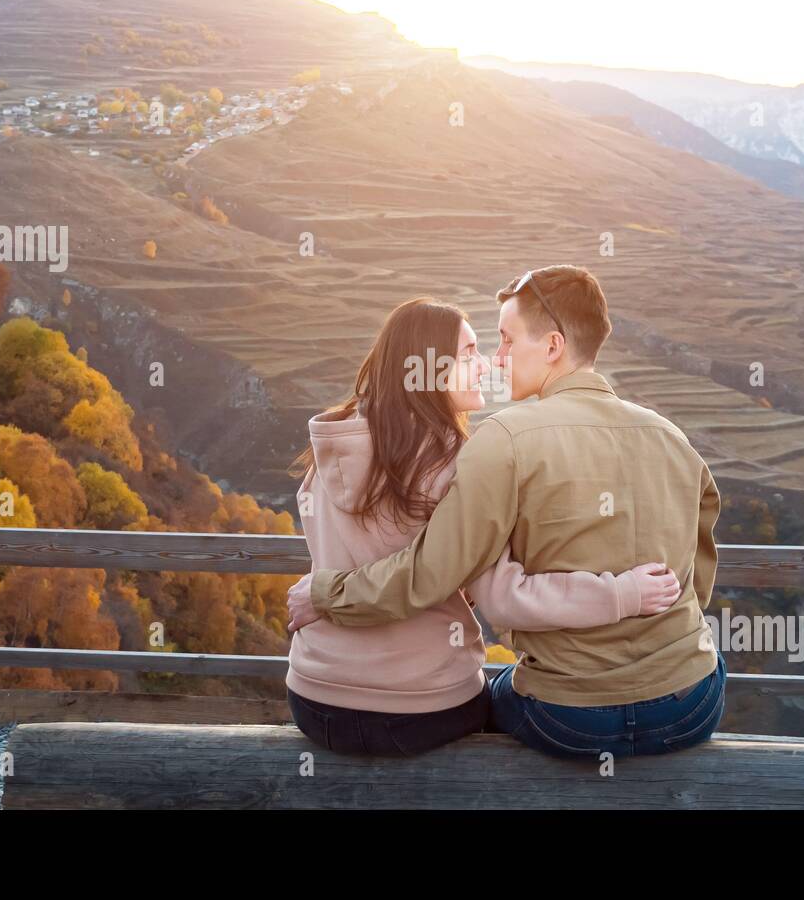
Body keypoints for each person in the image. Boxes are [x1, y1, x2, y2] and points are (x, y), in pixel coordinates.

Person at [288, 265, 726, 759]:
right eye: (476, 350)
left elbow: (446, 577)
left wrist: (326, 593)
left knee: (507, 693)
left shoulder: (336, 450)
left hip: (321, 693)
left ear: (553, 346)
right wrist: (652, 616)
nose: (495, 362)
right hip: (691, 703)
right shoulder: (673, 437)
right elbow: (701, 551)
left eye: (503, 342)